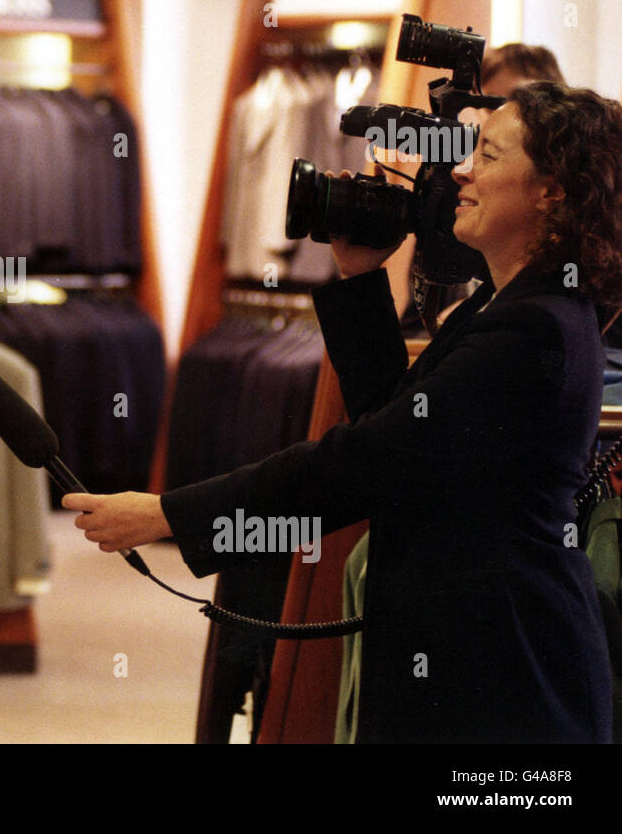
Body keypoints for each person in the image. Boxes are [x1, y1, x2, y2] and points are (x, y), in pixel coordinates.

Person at [65, 81, 621, 743]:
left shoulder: (531, 331)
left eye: (490, 156)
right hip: (473, 647)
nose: (462, 170)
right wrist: (362, 280)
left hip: (502, 669)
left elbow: (365, 461)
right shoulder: (507, 307)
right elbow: (397, 424)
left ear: (551, 189)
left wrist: (166, 513)